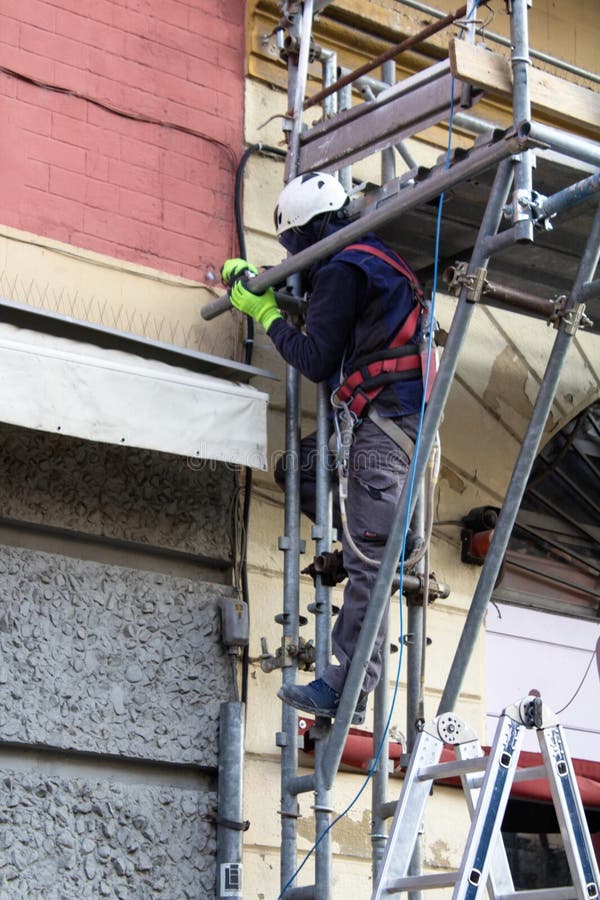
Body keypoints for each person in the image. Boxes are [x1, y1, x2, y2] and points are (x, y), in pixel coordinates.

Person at [221, 171, 425, 724]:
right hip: (373, 426)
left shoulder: (341, 266)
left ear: (308, 234)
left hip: (380, 434)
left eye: (293, 249)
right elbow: (325, 307)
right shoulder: (365, 257)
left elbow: (314, 357)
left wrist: (266, 315)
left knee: (367, 566)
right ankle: (381, 540)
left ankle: (346, 687)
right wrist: (266, 280)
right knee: (300, 471)